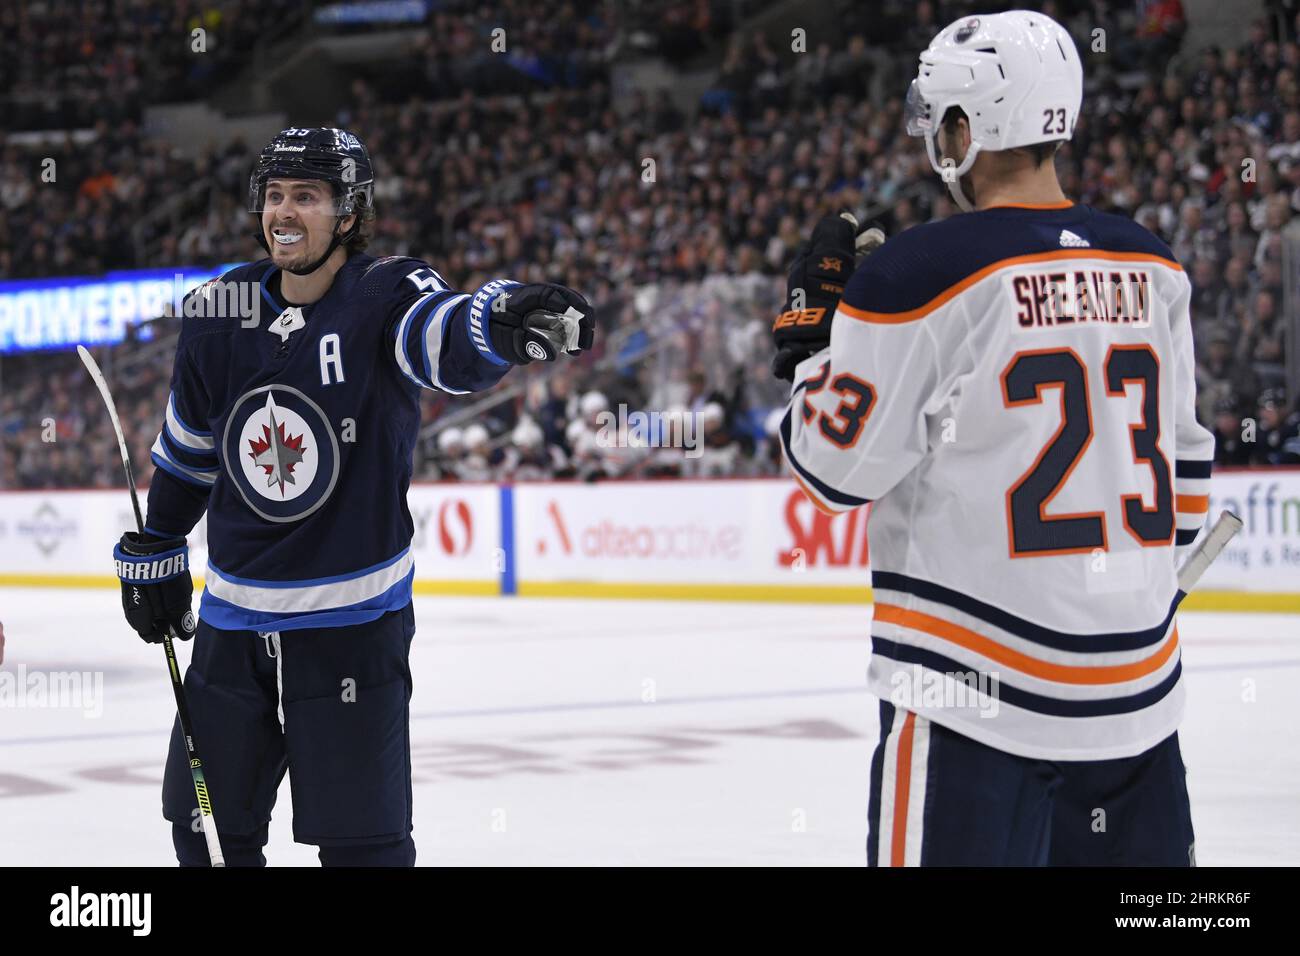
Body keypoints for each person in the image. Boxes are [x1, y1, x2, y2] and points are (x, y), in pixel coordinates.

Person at [771, 12, 1212, 866]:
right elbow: (1185, 497)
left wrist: (809, 341)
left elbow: (832, 470)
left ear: (964, 128)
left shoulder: (918, 271)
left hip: (970, 706)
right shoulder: (1154, 265)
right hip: (1138, 715)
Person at [109, 127, 594, 866]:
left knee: (362, 848)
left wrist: (498, 323)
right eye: (274, 195)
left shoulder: (384, 293)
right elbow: (189, 451)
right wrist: (159, 543)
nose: (283, 212)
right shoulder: (219, 308)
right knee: (206, 832)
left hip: (352, 625)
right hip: (232, 622)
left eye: (306, 196)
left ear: (349, 213)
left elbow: (440, 338)